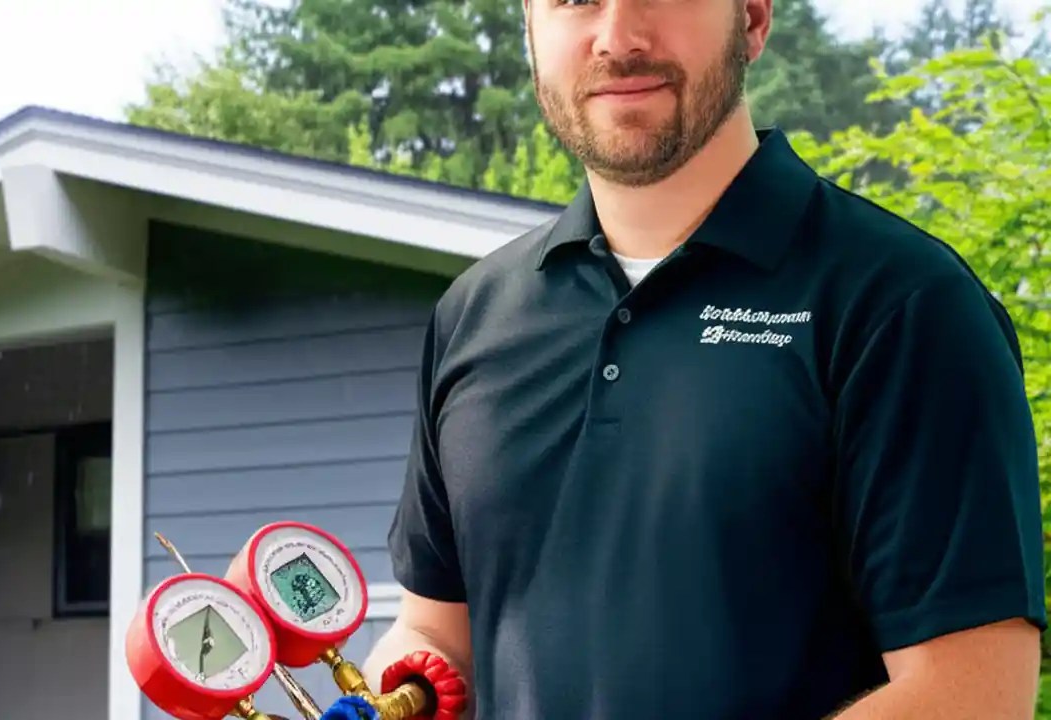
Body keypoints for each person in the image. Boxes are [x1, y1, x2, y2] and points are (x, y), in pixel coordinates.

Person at [362, 0, 1048, 718]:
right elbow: (436, 629)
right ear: (531, 31)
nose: (618, 37)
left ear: (752, 18)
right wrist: (400, 691)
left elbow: (974, 693)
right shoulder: (473, 316)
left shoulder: (903, 304)